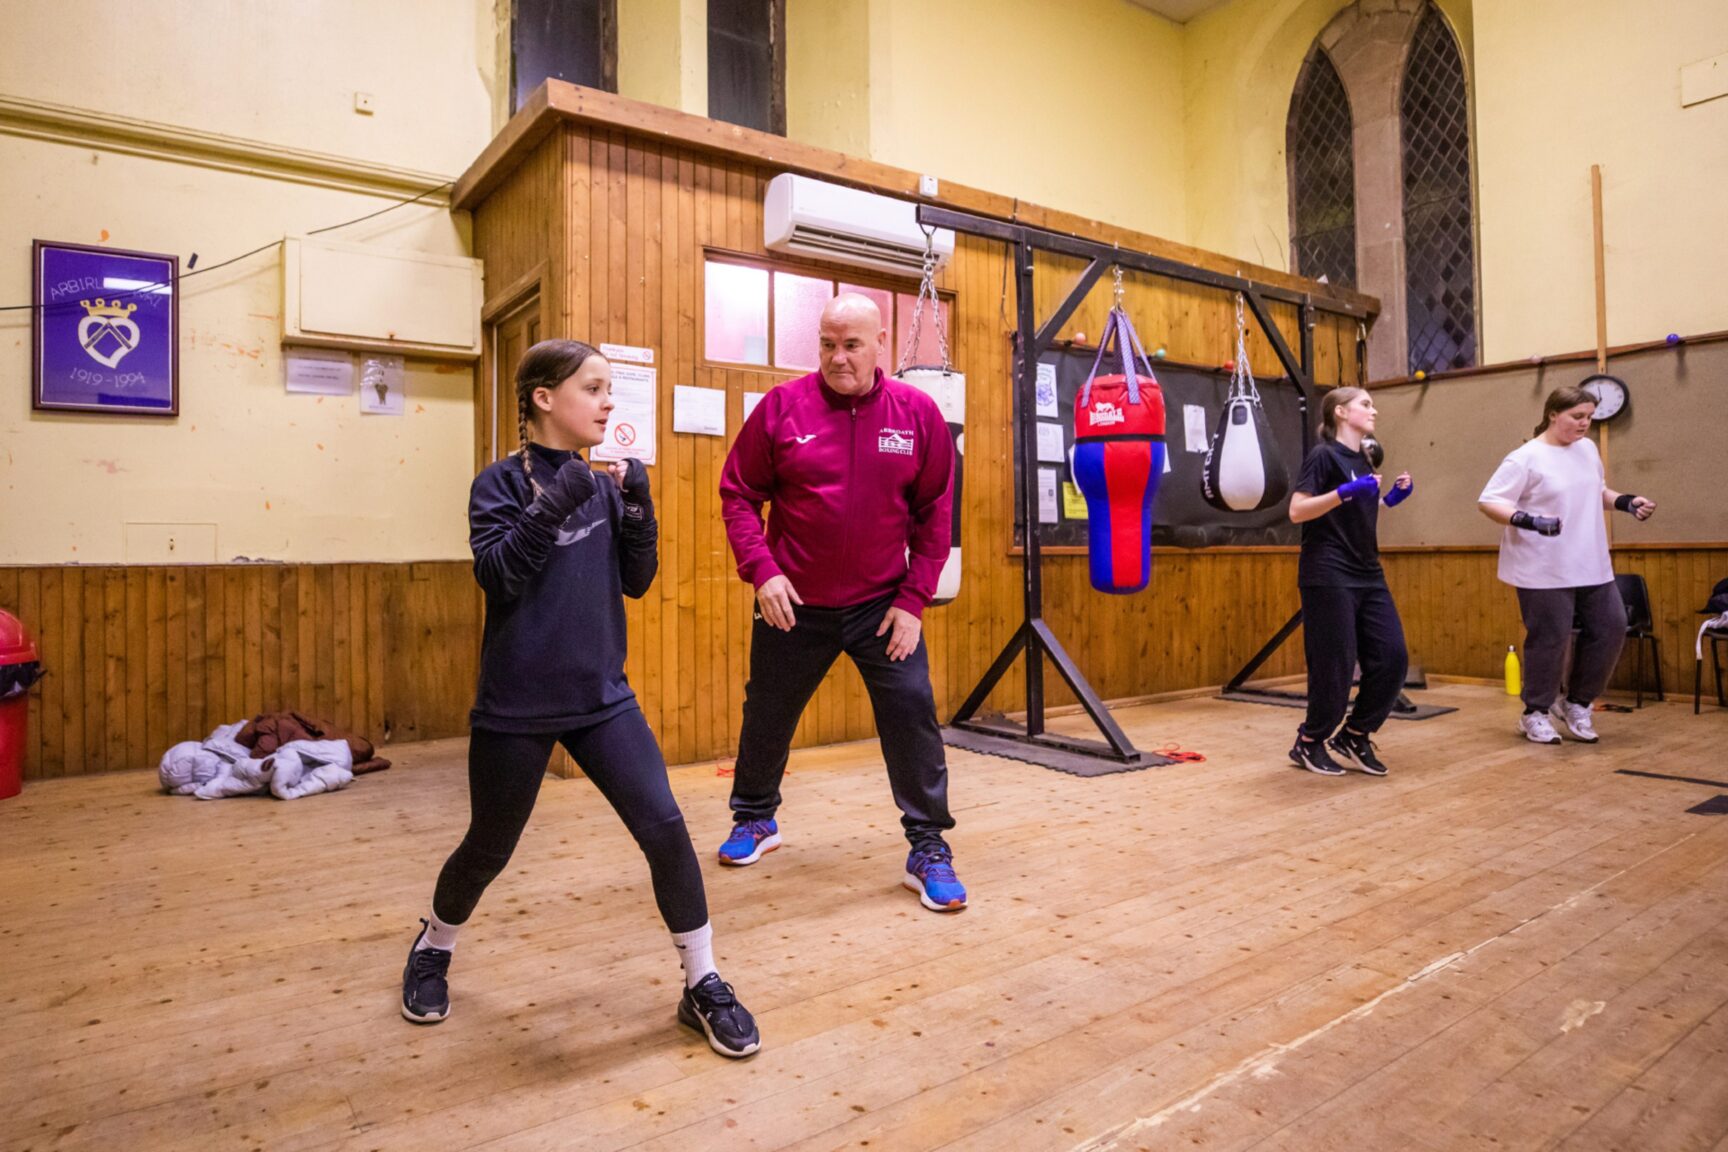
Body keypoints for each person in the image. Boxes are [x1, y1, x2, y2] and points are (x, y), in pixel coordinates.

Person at [400, 339, 760, 1059]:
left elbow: (636, 579)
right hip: (516, 705)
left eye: (608, 390)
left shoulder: (600, 482)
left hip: (603, 699)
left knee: (665, 829)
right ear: (543, 398)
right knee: (489, 846)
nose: (607, 403)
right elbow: (500, 578)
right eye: (593, 389)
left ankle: (702, 982)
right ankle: (435, 944)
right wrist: (553, 501)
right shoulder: (497, 485)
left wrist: (639, 509)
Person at [716, 293, 964, 912]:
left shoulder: (917, 414)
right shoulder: (781, 408)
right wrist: (762, 571)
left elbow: (937, 515)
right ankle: (755, 819)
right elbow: (738, 494)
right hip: (793, 600)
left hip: (884, 605)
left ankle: (927, 845)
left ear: (881, 343)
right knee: (767, 711)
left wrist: (913, 601)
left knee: (911, 713)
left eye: (851, 345)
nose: (837, 358)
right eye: (827, 344)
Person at [1477, 385, 1655, 744]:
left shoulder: (1587, 450)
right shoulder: (1525, 457)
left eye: (1589, 417)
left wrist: (1624, 502)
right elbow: (1489, 501)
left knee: (1611, 626)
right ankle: (1536, 712)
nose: (1584, 423)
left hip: (1589, 559)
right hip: (1542, 566)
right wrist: (1529, 520)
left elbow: (1595, 490)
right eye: (1577, 416)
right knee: (1551, 638)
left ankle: (1577, 703)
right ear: (1553, 414)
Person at [1285, 387, 1413, 777]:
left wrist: (1390, 499)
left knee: (1392, 657)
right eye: (1365, 404)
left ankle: (1355, 733)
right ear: (1341, 412)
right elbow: (1297, 511)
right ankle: (1310, 741)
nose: (1374, 410)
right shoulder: (1323, 455)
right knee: (1335, 664)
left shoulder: (1365, 456)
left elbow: (1359, 509)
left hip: (1367, 572)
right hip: (1328, 571)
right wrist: (1342, 492)